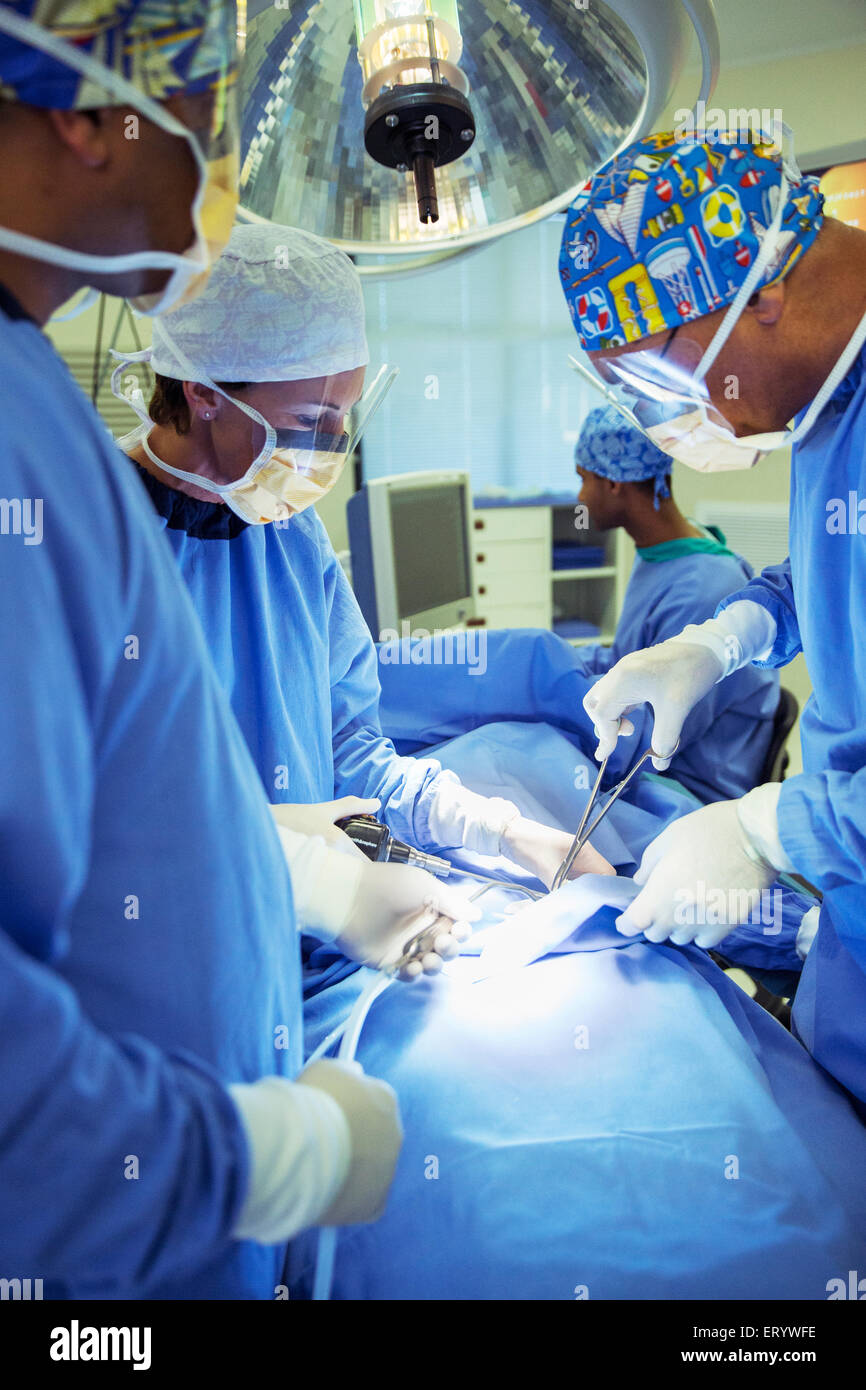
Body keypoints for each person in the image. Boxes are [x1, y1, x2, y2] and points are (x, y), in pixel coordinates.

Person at [0, 0, 401, 1300]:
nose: (230, 172)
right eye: (215, 116)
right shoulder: (32, 465)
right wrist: (255, 1162)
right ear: (90, 108)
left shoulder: (45, 438)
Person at [112, 221, 614, 998]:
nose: (332, 450)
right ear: (204, 393)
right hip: (159, 981)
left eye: (345, 419)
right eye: (314, 423)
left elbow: (355, 759)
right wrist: (313, 876)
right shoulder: (82, 541)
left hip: (312, 961)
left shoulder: (289, 537)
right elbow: (83, 822)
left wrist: (499, 833)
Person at [558, 125, 866, 1104]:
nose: (658, 423)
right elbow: (825, 570)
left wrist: (769, 827)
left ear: (757, 288)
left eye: (654, 377)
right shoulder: (828, 405)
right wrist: (715, 640)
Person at [566, 405, 779, 801]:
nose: (580, 497)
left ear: (615, 483)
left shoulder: (703, 588)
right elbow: (628, 656)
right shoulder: (661, 553)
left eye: (584, 479)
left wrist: (547, 697)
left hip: (684, 793)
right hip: (655, 766)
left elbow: (642, 743)